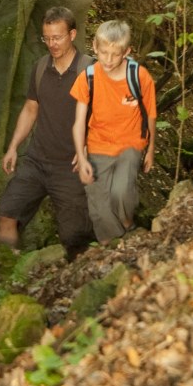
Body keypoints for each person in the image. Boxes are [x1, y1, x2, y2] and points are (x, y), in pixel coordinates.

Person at [0, 7, 94, 257]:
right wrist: (13, 147)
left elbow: (105, 116)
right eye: (47, 38)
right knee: (7, 214)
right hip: (37, 161)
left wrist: (87, 148)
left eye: (57, 37)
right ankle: (8, 279)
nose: (52, 44)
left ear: (72, 34)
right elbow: (31, 109)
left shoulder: (90, 71)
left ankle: (74, 289)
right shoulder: (40, 67)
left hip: (70, 167)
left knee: (74, 239)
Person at [69, 19, 155, 245]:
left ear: (126, 52)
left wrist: (151, 149)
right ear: (95, 47)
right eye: (103, 52)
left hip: (130, 144)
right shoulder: (87, 78)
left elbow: (151, 115)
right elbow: (78, 121)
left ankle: (127, 222)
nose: (108, 60)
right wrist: (81, 153)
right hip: (98, 144)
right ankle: (114, 245)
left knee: (120, 192)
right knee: (97, 200)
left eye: (115, 54)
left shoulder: (139, 77)